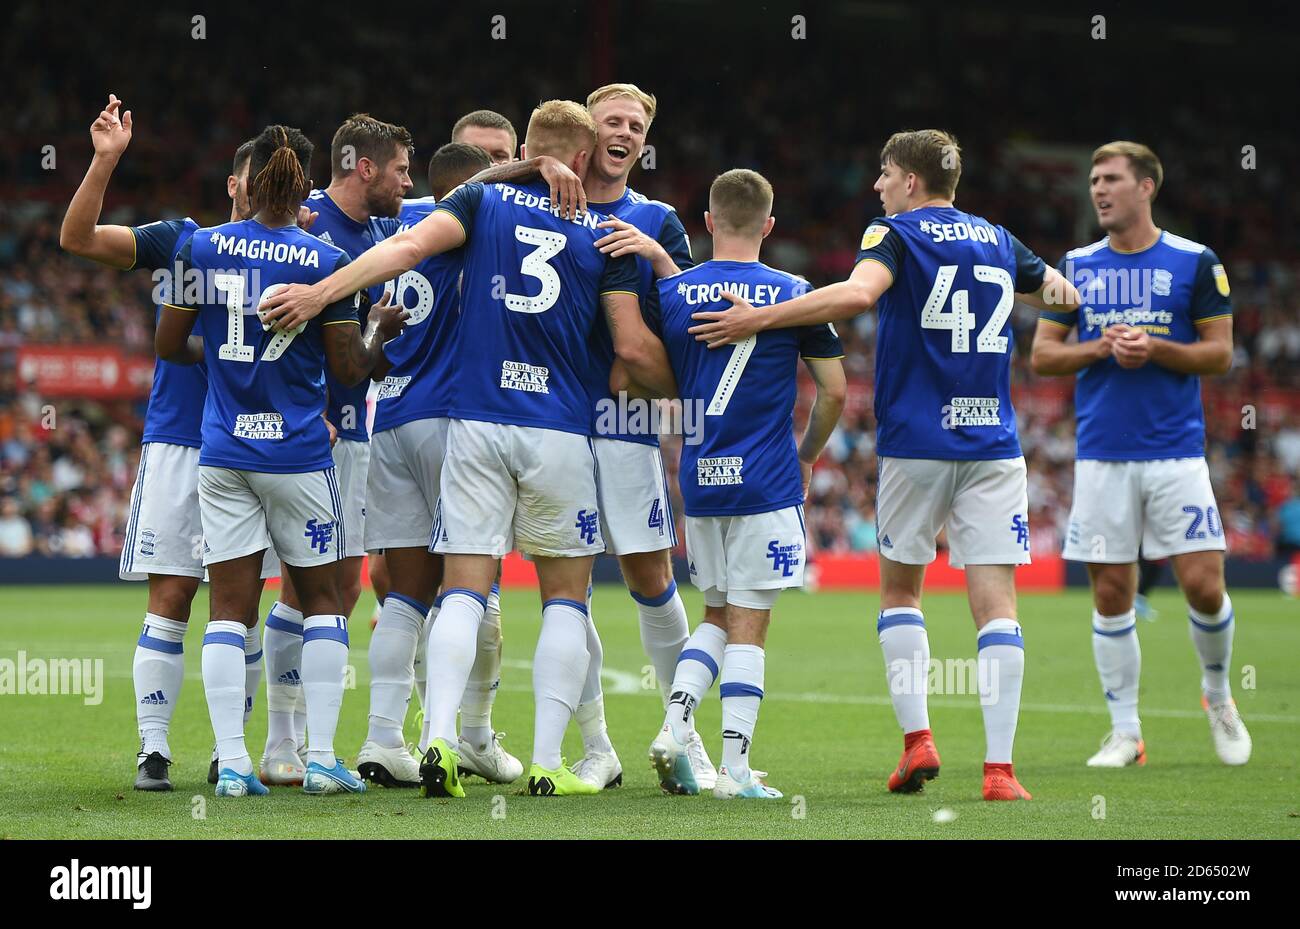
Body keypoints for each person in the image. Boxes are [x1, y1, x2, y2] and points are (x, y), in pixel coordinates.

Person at [257, 100, 675, 797]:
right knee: (565, 601)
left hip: (473, 422)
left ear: (528, 151)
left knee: (460, 593)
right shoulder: (608, 232)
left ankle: (437, 739)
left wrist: (319, 292)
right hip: (560, 427)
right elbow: (630, 348)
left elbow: (407, 247)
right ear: (578, 160)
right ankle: (548, 758)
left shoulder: (478, 205)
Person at [690, 130, 1076, 801]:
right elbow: (1064, 295)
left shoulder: (894, 234)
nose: (876, 185)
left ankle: (917, 741)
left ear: (911, 183)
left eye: (884, 173)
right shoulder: (998, 238)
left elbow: (858, 296)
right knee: (998, 604)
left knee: (902, 592)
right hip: (993, 446)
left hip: (917, 442)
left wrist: (765, 317)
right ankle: (1000, 771)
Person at [155, 125, 405, 796]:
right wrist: (382, 327)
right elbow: (351, 368)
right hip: (297, 451)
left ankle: (233, 761)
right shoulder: (321, 257)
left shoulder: (197, 246)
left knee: (229, 608)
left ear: (252, 182)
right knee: (323, 600)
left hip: (224, 449)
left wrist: (226, 367)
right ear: (302, 194)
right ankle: (320, 757)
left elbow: (168, 343)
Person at [59, 94, 274, 791]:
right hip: (184, 441)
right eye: (254, 172)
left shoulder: (305, 256)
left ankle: (230, 752)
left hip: (256, 447)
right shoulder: (182, 238)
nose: (264, 182)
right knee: (173, 593)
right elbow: (79, 238)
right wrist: (104, 161)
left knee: (239, 607)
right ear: (234, 185)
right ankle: (154, 749)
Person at [1031, 140, 1251, 768]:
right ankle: (1126, 732)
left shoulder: (1195, 261)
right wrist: (1100, 349)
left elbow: (1220, 354)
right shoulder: (1072, 266)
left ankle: (1217, 695)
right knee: (1110, 594)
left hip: (1175, 452)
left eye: (1111, 180)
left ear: (1147, 186)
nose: (1098, 190)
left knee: (1205, 587)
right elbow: (1044, 356)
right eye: (1094, 180)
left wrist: (1154, 348)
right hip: (1102, 455)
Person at [640, 169, 846, 799]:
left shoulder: (674, 293)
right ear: (770, 226)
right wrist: (807, 455)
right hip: (764, 481)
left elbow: (643, 361)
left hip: (701, 479)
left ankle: (675, 725)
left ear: (707, 222)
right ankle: (733, 770)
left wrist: (654, 256)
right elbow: (834, 390)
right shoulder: (792, 294)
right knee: (750, 626)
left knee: (716, 615)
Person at [261, 113, 413, 787]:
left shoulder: (382, 235)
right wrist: (296, 408)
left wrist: (378, 333)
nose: (409, 183)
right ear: (364, 168)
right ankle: (282, 740)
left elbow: (364, 361)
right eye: (402, 170)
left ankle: (287, 742)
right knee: (305, 586)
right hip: (303, 436)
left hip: (354, 429)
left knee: (336, 588)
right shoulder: (306, 224)